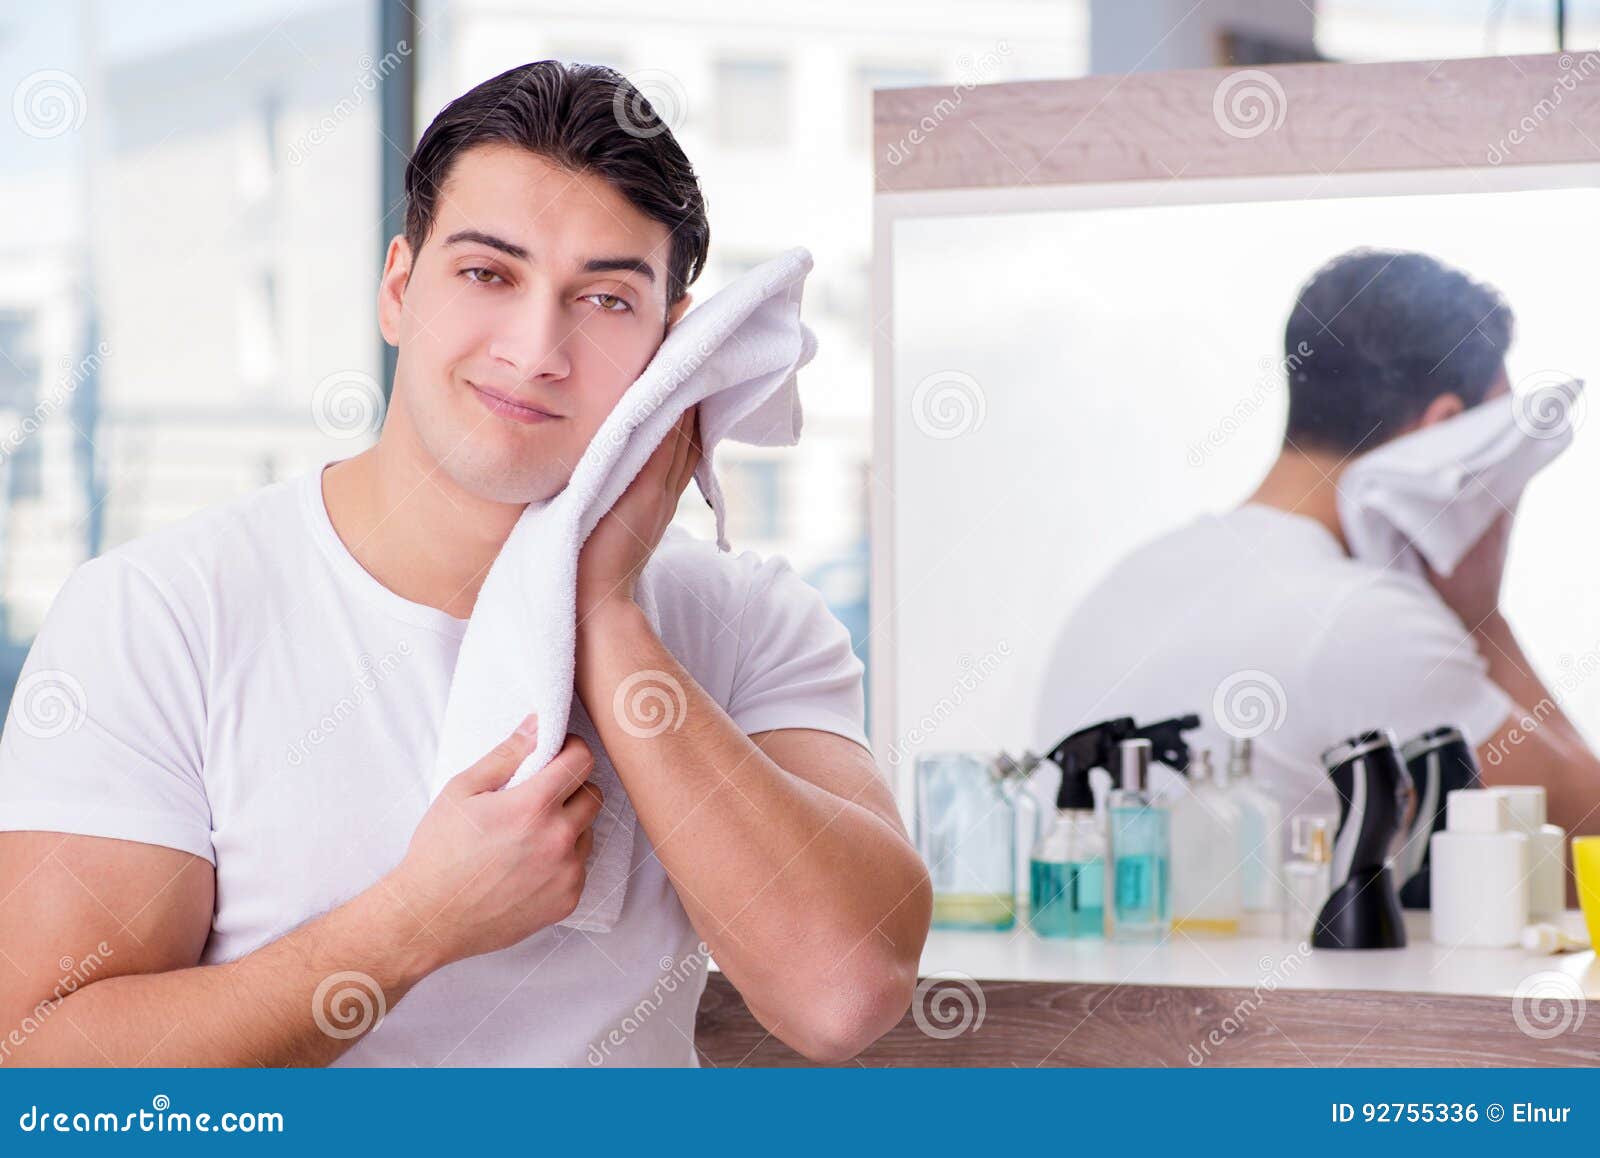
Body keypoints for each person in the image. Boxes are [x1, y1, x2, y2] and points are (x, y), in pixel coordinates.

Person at [0, 61, 930, 1067]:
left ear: (675, 349)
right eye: (488, 274)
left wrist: (607, 614)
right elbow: (45, 1072)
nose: (537, 349)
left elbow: (845, 995)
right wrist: (417, 924)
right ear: (399, 290)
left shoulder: (748, 620)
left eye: (606, 300)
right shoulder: (157, 615)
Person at [1036, 248, 1600, 844]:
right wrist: (1482, 617)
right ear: (1446, 437)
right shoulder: (1368, 621)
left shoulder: (1128, 582)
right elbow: (1585, 849)